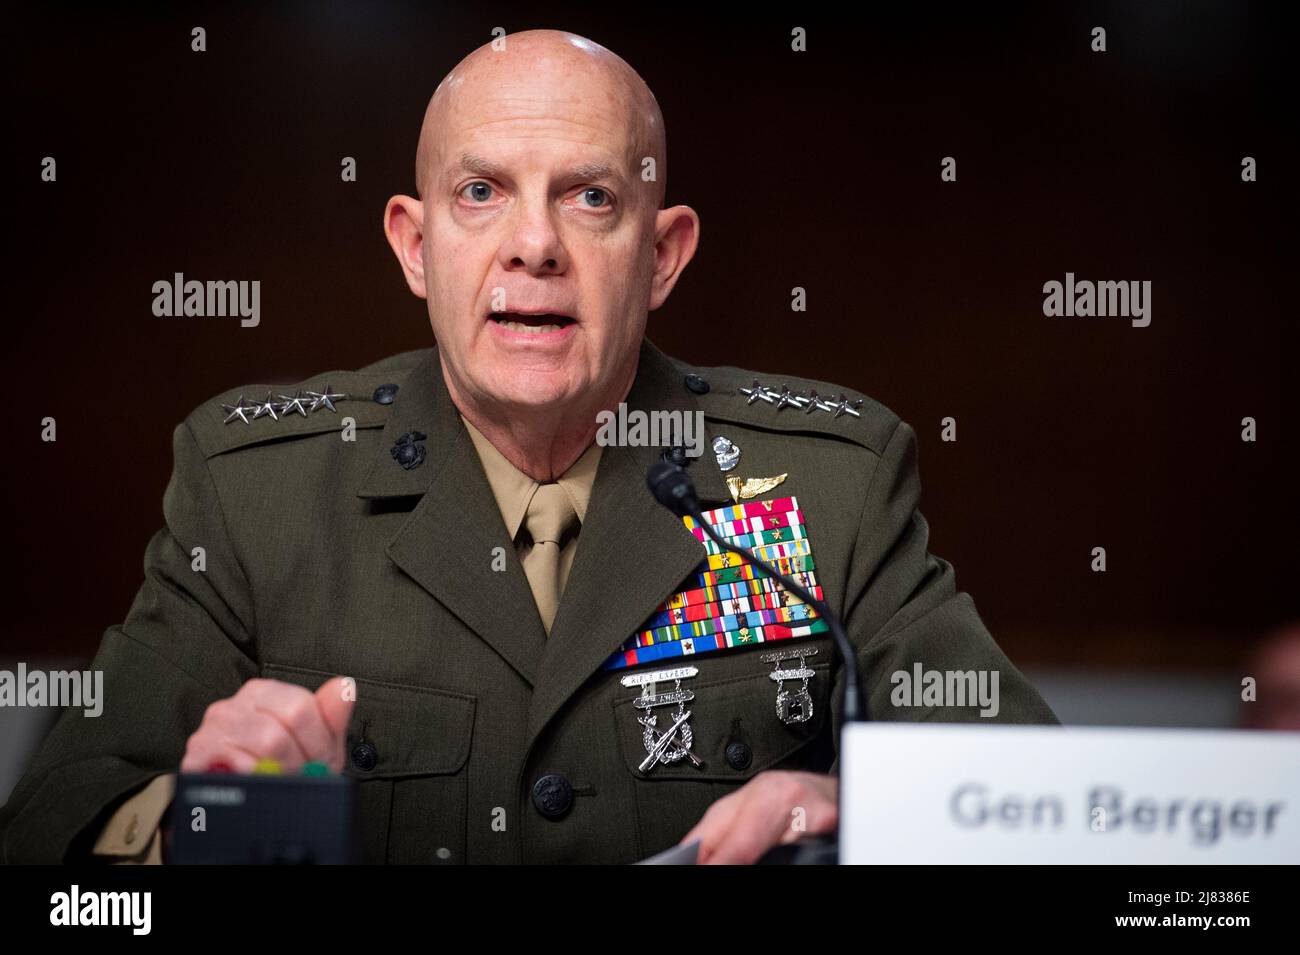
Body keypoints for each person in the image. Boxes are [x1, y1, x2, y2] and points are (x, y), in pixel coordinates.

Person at [0, 29, 1056, 866]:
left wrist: (857, 820)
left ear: (661, 253)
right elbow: (50, 833)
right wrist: (198, 821)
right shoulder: (255, 492)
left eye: (591, 197)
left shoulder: (833, 482)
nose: (535, 244)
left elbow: (1031, 798)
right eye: (481, 192)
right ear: (418, 247)